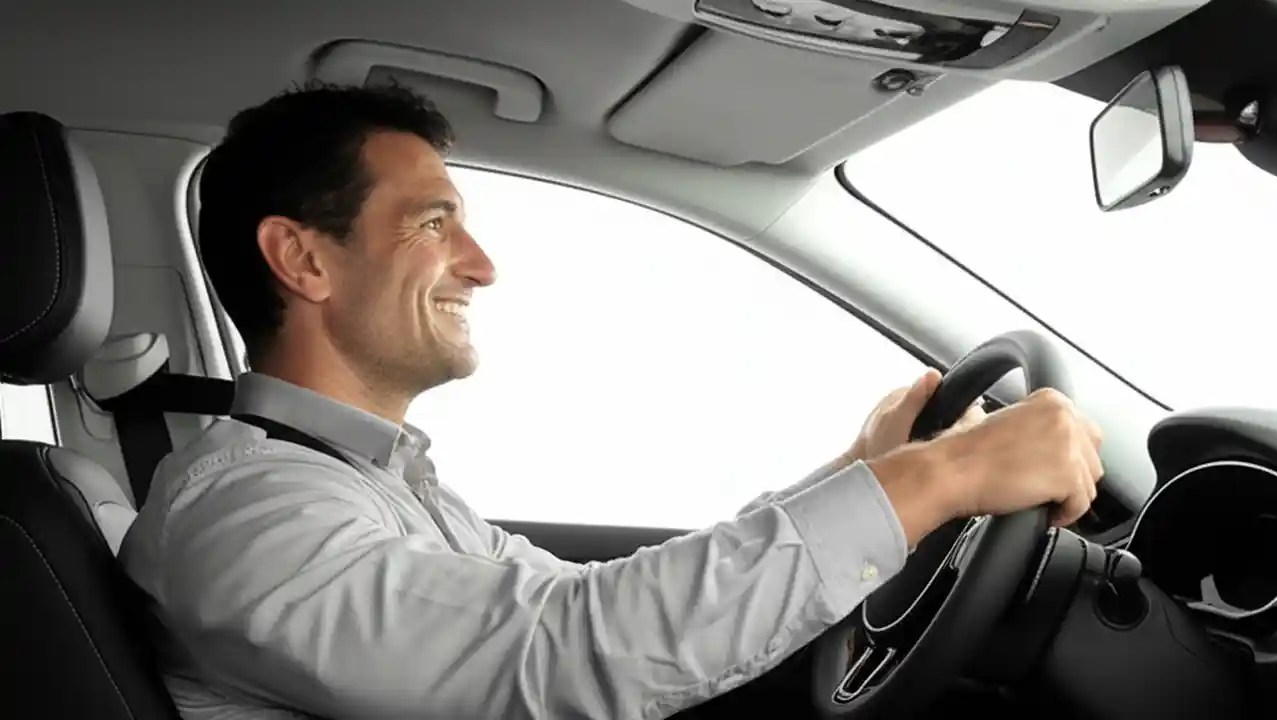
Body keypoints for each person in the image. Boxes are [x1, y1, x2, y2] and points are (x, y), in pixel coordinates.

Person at [119, 82, 1104, 720]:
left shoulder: (369, 485)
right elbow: (556, 652)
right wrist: (938, 477)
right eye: (433, 225)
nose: (482, 265)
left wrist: (862, 472)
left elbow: (585, 604)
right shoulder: (250, 518)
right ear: (301, 258)